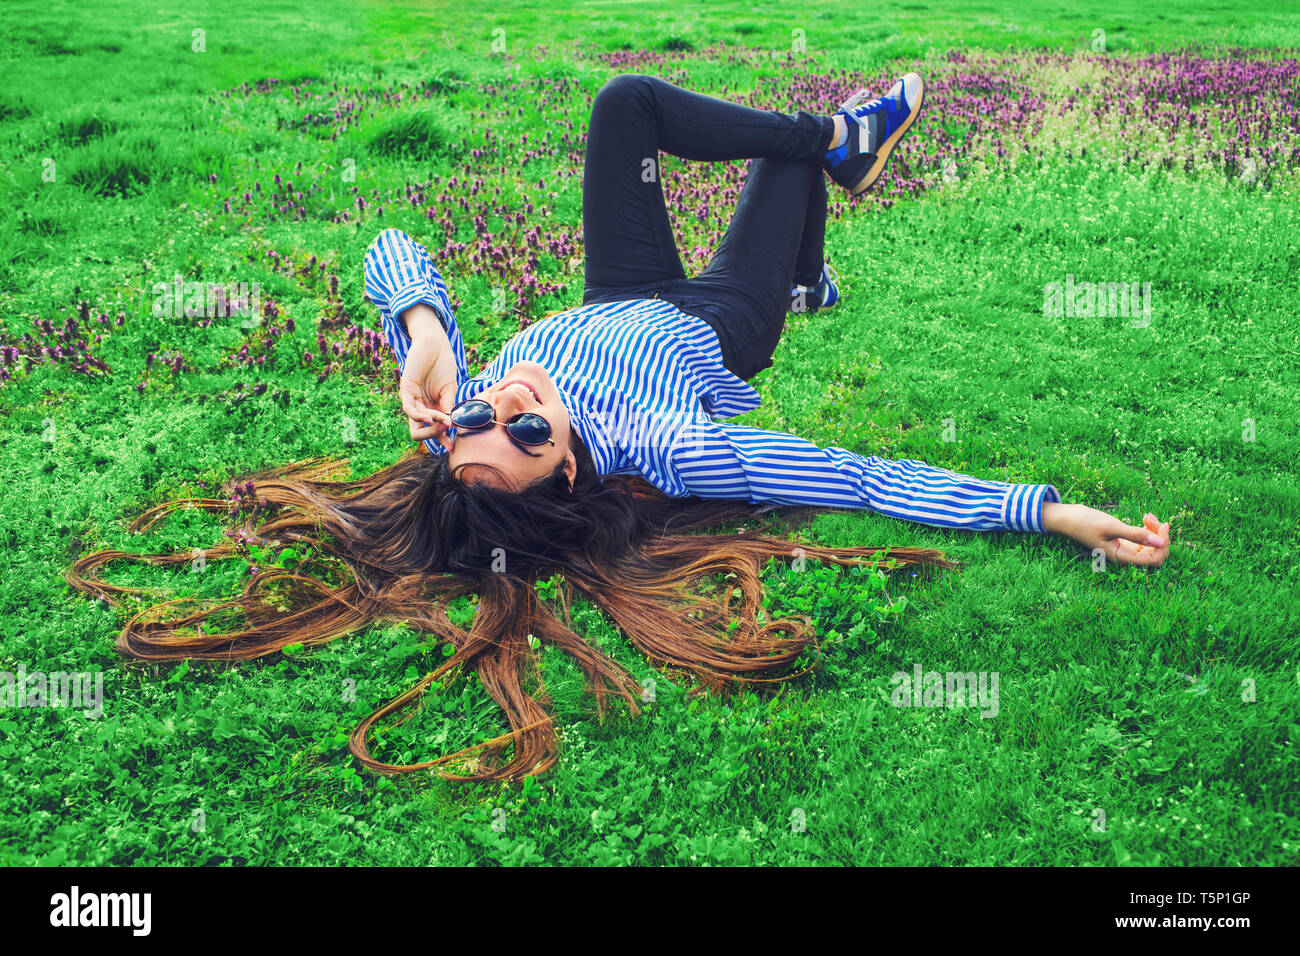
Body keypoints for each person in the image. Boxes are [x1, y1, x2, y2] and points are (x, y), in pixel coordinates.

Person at [363, 72, 1171, 571]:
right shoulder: (671, 446)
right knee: (788, 158)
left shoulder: (460, 402)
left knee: (624, 104)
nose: (501, 403)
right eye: (528, 435)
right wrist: (1047, 511)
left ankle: (816, 248)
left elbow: (390, 246)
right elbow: (860, 478)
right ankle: (811, 223)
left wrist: (426, 333)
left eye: (477, 415)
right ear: (569, 471)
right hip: (722, 321)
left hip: (617, 293)